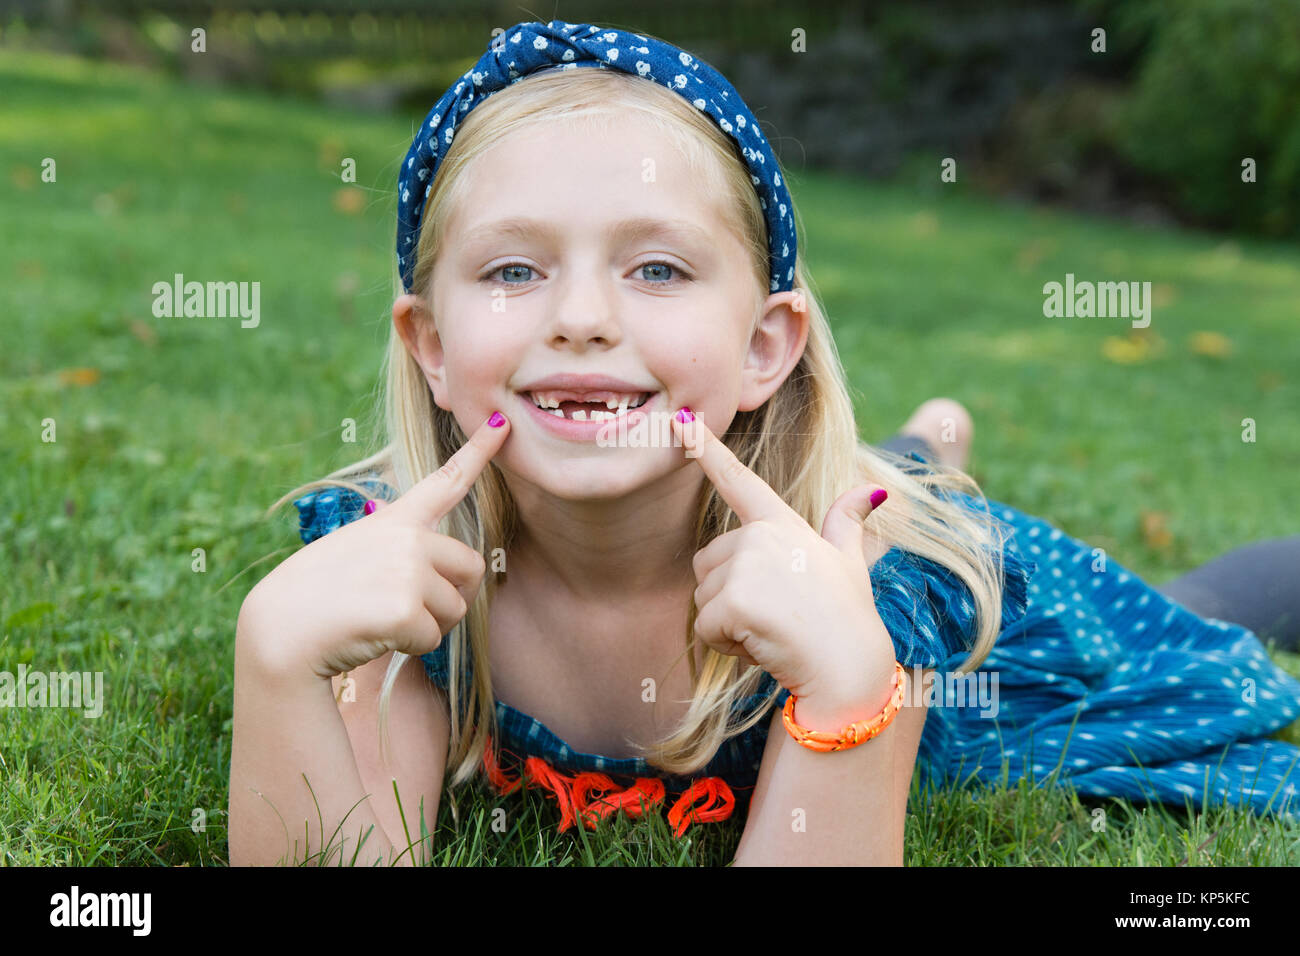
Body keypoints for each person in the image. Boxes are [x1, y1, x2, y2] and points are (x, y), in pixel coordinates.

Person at [228, 21, 1300, 867]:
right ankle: (922, 441)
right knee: (891, 469)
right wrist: (274, 662)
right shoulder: (409, 580)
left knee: (1194, 609)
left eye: (657, 269)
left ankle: (920, 458)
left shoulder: (876, 592)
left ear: (762, 348)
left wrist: (847, 683)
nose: (581, 319)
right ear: (430, 345)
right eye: (514, 270)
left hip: (905, 565)